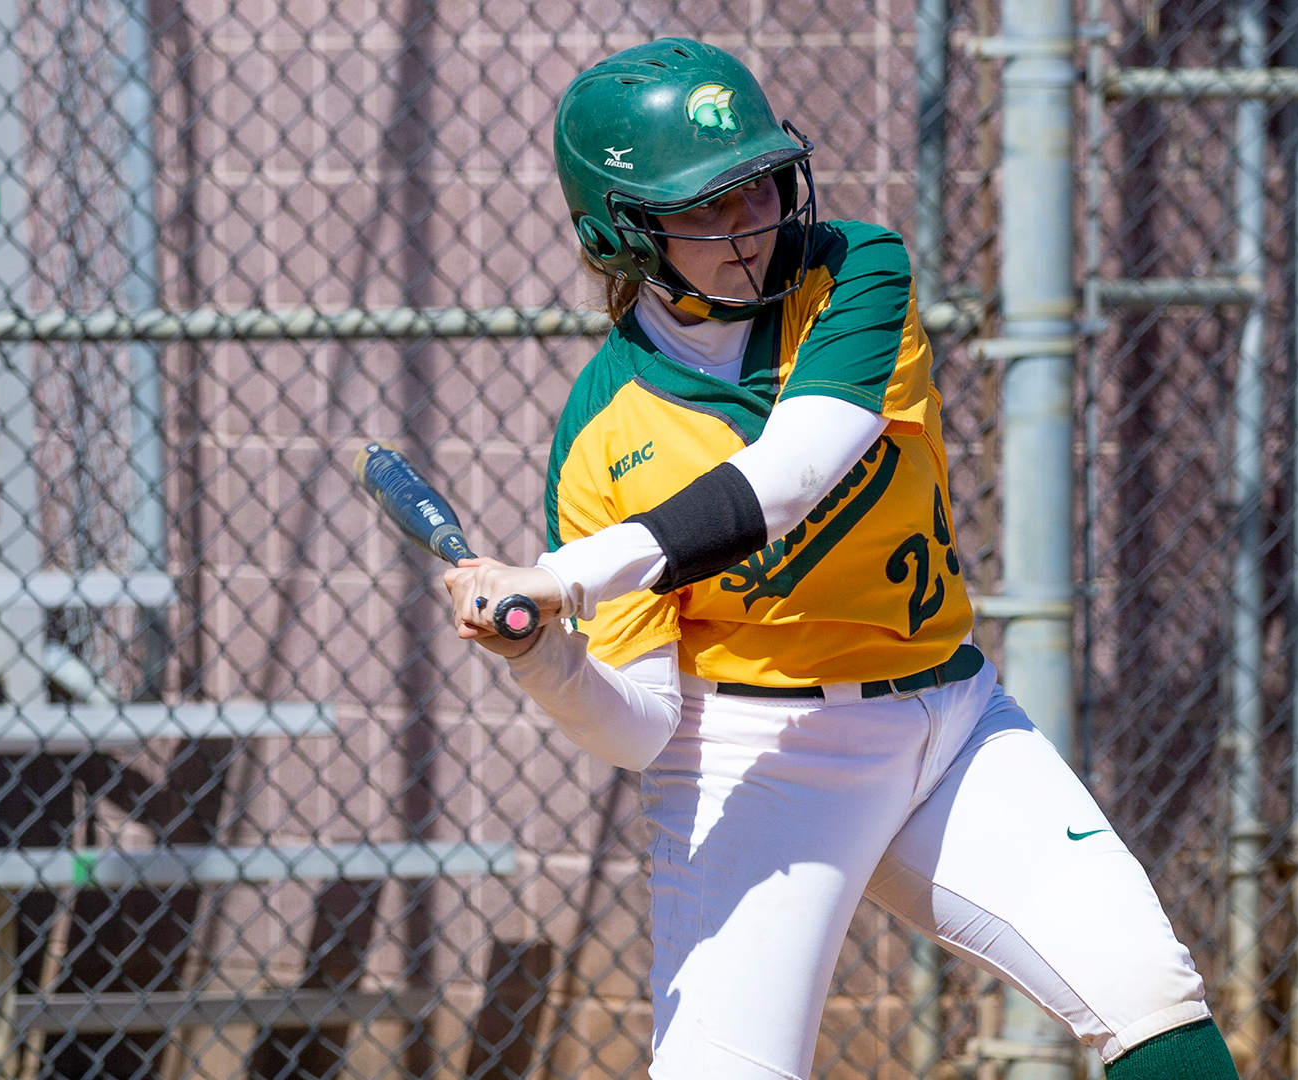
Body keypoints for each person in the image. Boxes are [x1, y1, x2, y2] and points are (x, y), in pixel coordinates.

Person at [442, 37, 1239, 1080]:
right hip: (757, 761)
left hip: (956, 722)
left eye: (758, 188)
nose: (747, 229)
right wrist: (543, 655)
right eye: (703, 208)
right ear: (622, 234)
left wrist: (564, 577)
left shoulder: (854, 271)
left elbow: (795, 468)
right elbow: (639, 728)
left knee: (1150, 996)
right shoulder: (601, 434)